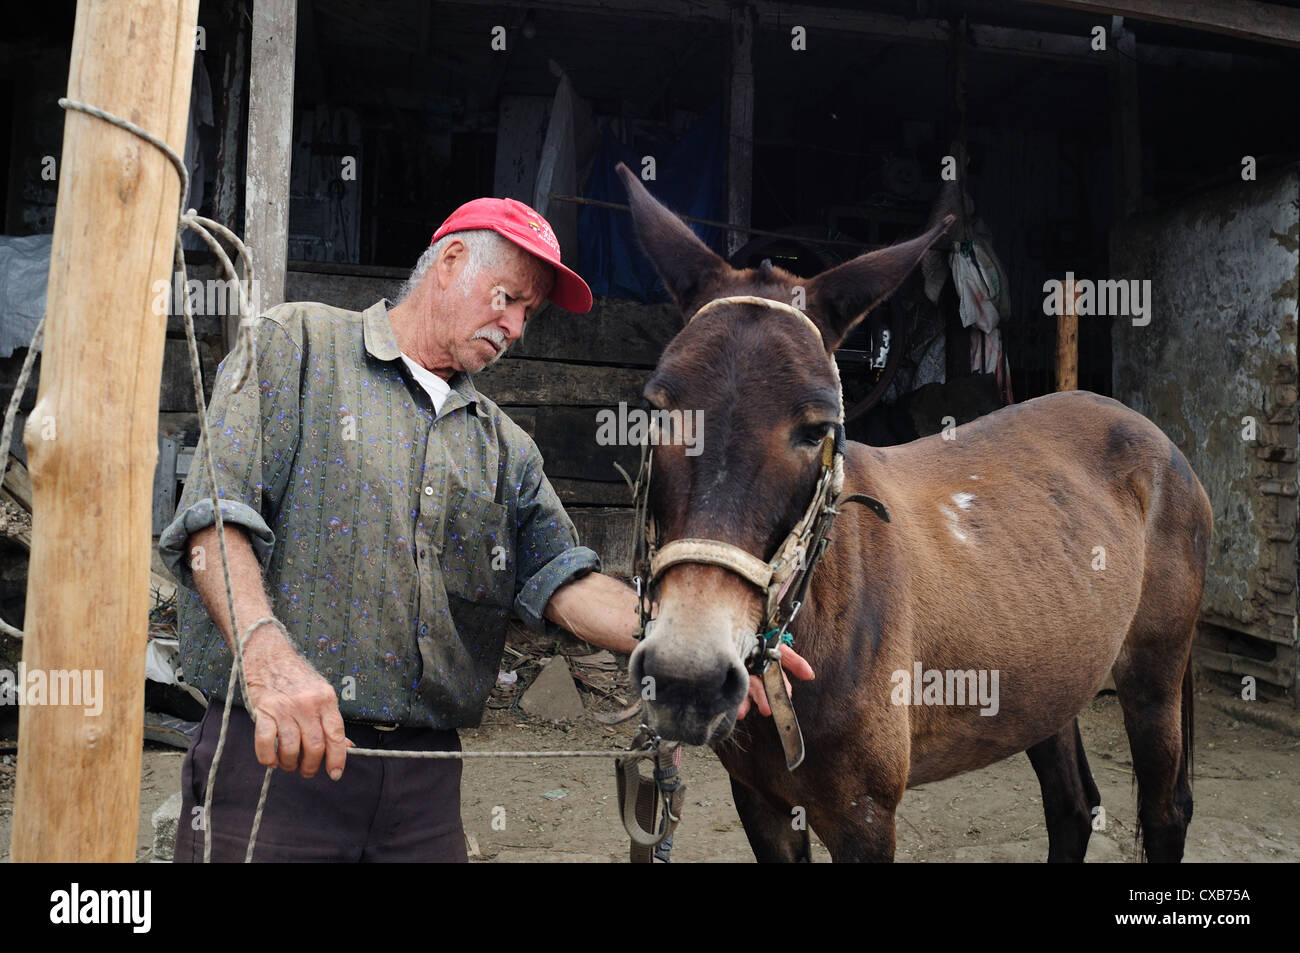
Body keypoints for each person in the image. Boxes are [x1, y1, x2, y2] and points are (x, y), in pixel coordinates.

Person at [158, 197, 810, 862]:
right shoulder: (296, 346)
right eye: (509, 299)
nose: (517, 326)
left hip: (422, 784)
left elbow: (565, 581)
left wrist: (691, 640)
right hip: (273, 749)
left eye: (529, 312)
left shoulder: (506, 448)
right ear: (450, 261)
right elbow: (214, 517)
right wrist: (267, 657)